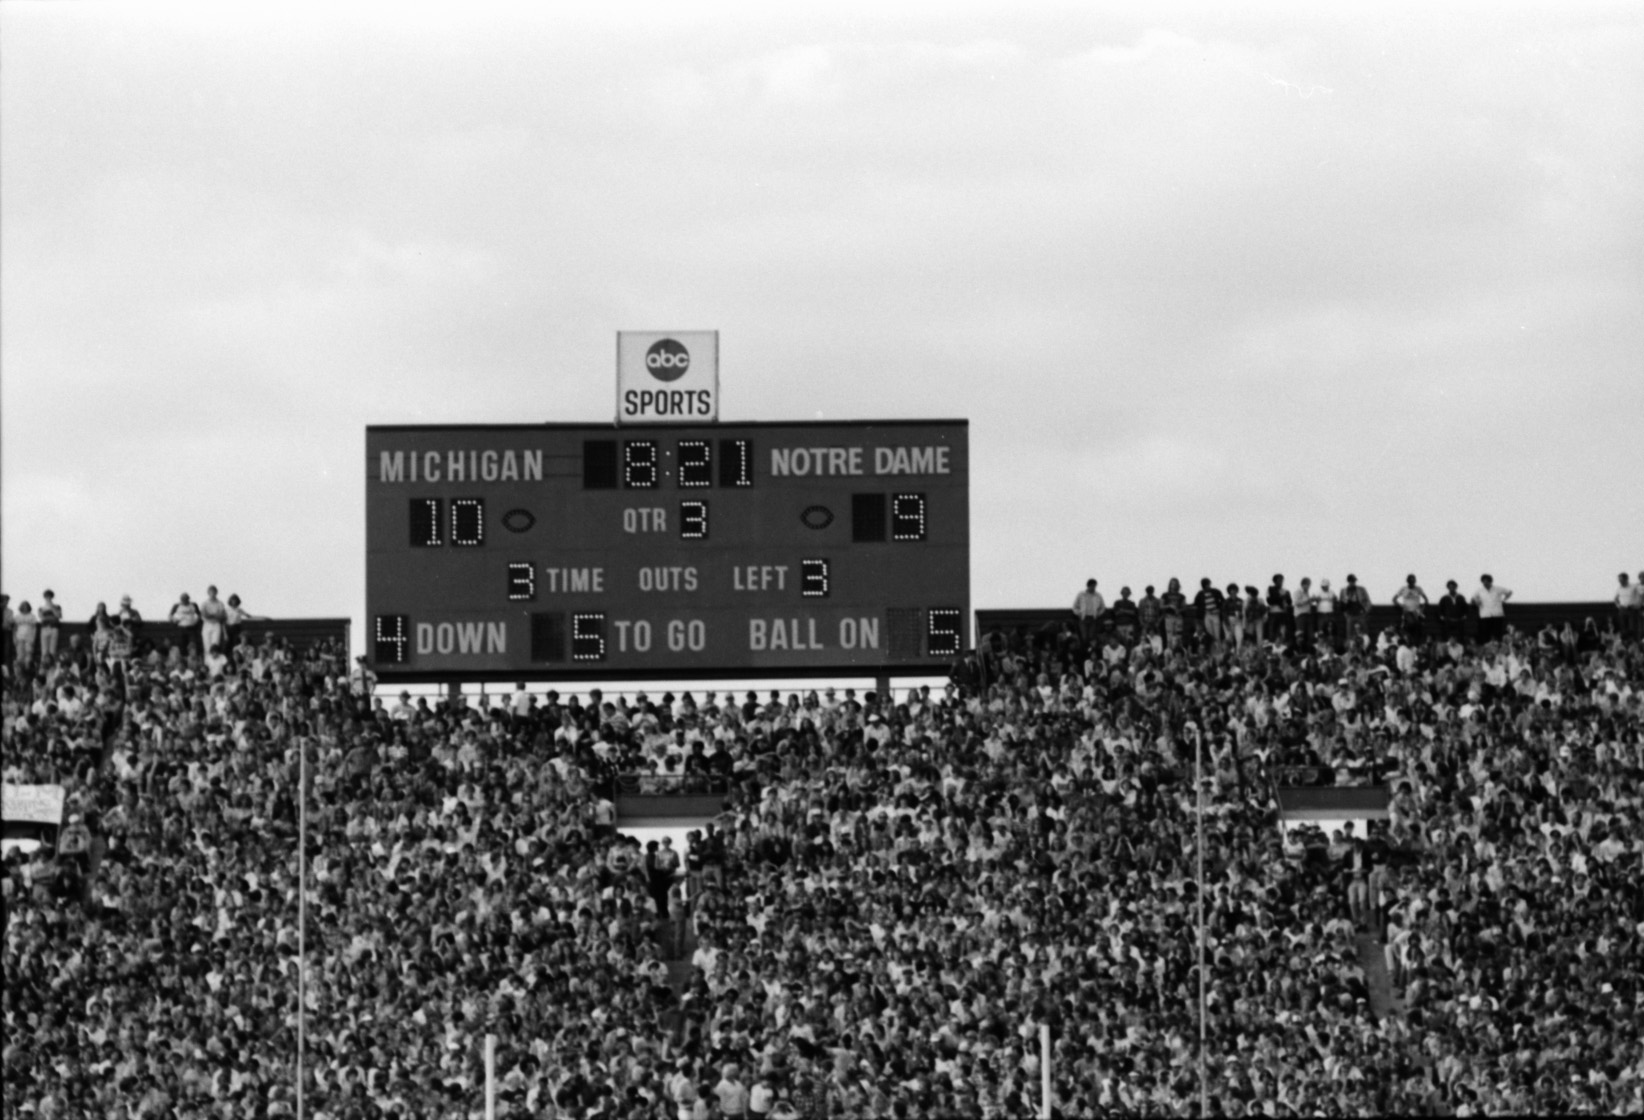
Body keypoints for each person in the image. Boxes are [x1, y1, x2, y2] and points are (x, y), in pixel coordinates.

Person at [1471, 574, 1512, 645]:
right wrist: (1476, 602)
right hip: (1485, 615)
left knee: (1498, 633)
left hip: (1497, 614)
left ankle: (1498, 647)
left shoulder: (1497, 588)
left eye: (1487, 581)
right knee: (1485, 633)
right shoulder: (1479, 590)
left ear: (1490, 581)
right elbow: (1473, 599)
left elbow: (1509, 592)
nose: (1485, 583)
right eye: (1483, 581)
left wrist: (1504, 600)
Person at [1391, 575, 1428, 644]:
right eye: (1410, 581)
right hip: (1407, 611)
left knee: (1418, 626)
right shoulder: (1403, 589)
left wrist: (1422, 609)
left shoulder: (1418, 589)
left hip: (1417, 612)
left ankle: (1415, 641)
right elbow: (1394, 599)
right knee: (1412, 623)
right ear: (1407, 581)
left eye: (1413, 581)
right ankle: (1411, 640)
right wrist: (1400, 606)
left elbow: (1426, 600)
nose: (1412, 582)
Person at [1339, 575, 1371, 650]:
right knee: (1349, 635)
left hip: (1360, 614)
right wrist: (1345, 614)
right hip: (1350, 615)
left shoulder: (1361, 589)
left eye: (1354, 581)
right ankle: (1350, 651)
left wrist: (1366, 611)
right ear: (1348, 581)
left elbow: (1368, 601)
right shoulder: (1343, 590)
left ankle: (1365, 649)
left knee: (1364, 633)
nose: (1353, 583)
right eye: (1351, 581)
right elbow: (1341, 604)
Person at [1072, 580, 1105, 646]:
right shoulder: (1081, 594)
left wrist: (1098, 614)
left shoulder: (1098, 595)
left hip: (1093, 618)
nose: (1093, 587)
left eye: (1095, 586)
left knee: (1091, 637)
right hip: (1083, 618)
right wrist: (1078, 613)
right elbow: (1075, 606)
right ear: (1088, 586)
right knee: (1084, 637)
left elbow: (1102, 607)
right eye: (1092, 586)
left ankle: (1090, 651)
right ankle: (1084, 651)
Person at [1193, 579, 1225, 648]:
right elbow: (1196, 603)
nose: (1208, 586)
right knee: (1210, 634)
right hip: (1207, 615)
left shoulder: (1215, 591)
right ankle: (1213, 649)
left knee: (1217, 633)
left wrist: (1219, 609)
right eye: (1207, 584)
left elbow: (1223, 601)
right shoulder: (1200, 594)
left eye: (1209, 584)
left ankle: (1219, 649)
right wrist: (1202, 611)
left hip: (1215, 614)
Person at [169, 592, 202, 657]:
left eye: (186, 599)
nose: (184, 600)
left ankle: (193, 658)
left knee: (192, 644)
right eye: (183, 599)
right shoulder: (177, 606)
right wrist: (174, 621)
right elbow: (170, 615)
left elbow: (199, 614)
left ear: (188, 599)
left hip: (191, 628)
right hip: (181, 628)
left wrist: (196, 621)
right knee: (182, 645)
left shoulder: (193, 605)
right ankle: (184, 659)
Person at [1435, 580, 1468, 645]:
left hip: (1459, 620)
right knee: (1445, 635)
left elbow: (1465, 608)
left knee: (1460, 636)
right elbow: (1439, 609)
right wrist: (1441, 617)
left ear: (1456, 587)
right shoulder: (1444, 598)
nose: (1452, 588)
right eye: (1450, 587)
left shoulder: (1461, 597)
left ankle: (1460, 647)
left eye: (1453, 587)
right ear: (1448, 588)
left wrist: (1465, 615)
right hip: (1448, 620)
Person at [199, 586, 229, 654]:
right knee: (206, 645)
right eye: (211, 592)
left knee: (215, 644)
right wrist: (215, 615)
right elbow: (205, 615)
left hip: (216, 625)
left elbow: (221, 616)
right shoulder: (204, 603)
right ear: (208, 593)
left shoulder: (220, 603)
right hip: (207, 624)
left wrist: (211, 615)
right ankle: (207, 663)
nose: (212, 594)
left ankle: (215, 663)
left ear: (216, 593)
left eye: (214, 592)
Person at [1266, 575, 1294, 647]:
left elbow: (1290, 602)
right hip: (1273, 613)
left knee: (1283, 631)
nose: (1281, 582)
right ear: (1275, 581)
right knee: (1273, 632)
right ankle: (1272, 648)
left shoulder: (1286, 591)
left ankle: (1282, 647)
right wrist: (1281, 597)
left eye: (1282, 580)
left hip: (1283, 613)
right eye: (1279, 580)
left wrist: (1287, 596)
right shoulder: (1270, 589)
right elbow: (1269, 601)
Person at [1160, 578, 1187, 650]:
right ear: (1170, 585)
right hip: (1169, 617)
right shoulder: (1165, 595)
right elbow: (1161, 606)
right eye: (1172, 583)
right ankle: (1169, 652)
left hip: (1178, 617)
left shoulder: (1181, 596)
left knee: (1179, 636)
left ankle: (1178, 652)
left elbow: (1185, 607)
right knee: (1169, 636)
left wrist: (1180, 610)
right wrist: (1169, 606)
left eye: (1175, 583)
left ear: (1178, 585)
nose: (1174, 585)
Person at [1615, 572, 1642, 642]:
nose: (1620, 582)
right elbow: (1615, 598)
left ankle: (1634, 642)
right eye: (1619, 580)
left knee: (1632, 628)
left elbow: (1642, 595)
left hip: (1632, 609)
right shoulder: (1619, 588)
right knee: (1623, 627)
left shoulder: (1634, 586)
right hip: (1622, 609)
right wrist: (1618, 606)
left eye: (1621, 580)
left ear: (1626, 579)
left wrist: (1638, 605)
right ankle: (1625, 643)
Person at [36, 591, 63, 661]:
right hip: (44, 628)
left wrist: (51, 607)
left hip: (54, 628)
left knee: (52, 650)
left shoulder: (57, 606)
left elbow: (59, 615)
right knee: (44, 650)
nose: (48, 598)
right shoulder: (41, 608)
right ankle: (43, 667)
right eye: (46, 596)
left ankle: (52, 667)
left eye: (49, 596)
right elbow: (41, 617)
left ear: (52, 597)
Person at [1293, 577, 1317, 648]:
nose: (1309, 586)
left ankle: (1309, 650)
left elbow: (1307, 602)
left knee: (1310, 634)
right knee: (1300, 635)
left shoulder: (1307, 592)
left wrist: (1313, 600)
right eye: (1308, 585)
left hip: (1308, 615)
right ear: (1303, 584)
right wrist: (1309, 599)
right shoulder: (1297, 592)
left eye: (1309, 585)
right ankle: (1300, 650)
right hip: (1300, 615)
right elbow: (1297, 603)